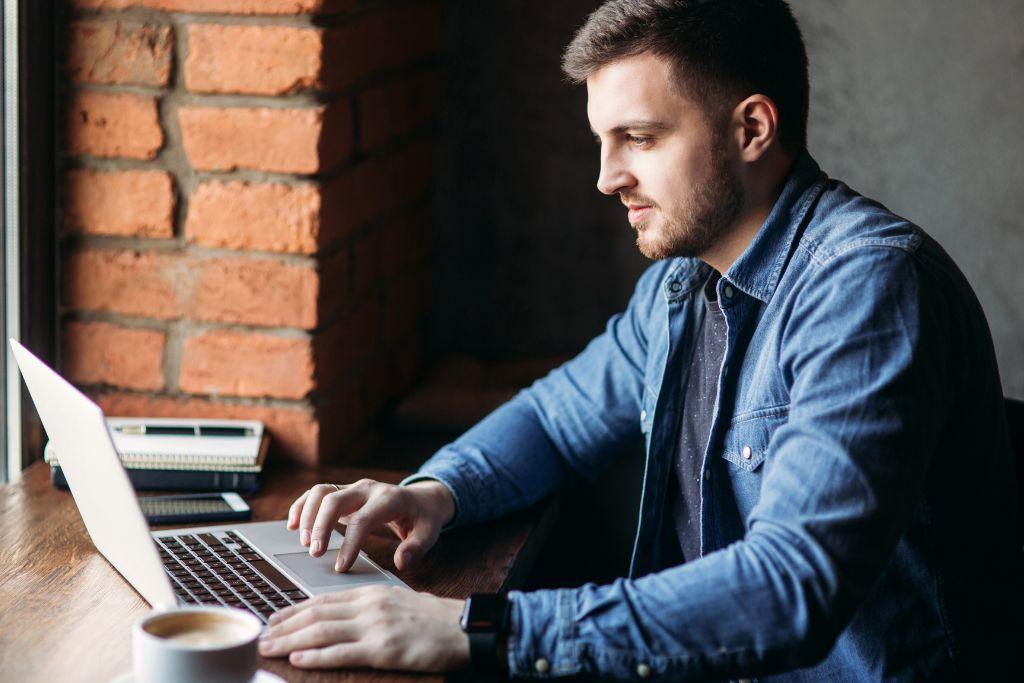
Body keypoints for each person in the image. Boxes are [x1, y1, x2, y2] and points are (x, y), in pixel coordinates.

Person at [257, 0, 1024, 679]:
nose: (606, 176)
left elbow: (794, 586)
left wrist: (481, 627)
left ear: (752, 127)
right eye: (602, 140)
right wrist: (434, 491)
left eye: (640, 138)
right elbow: (558, 417)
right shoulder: (680, 284)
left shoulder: (867, 286)